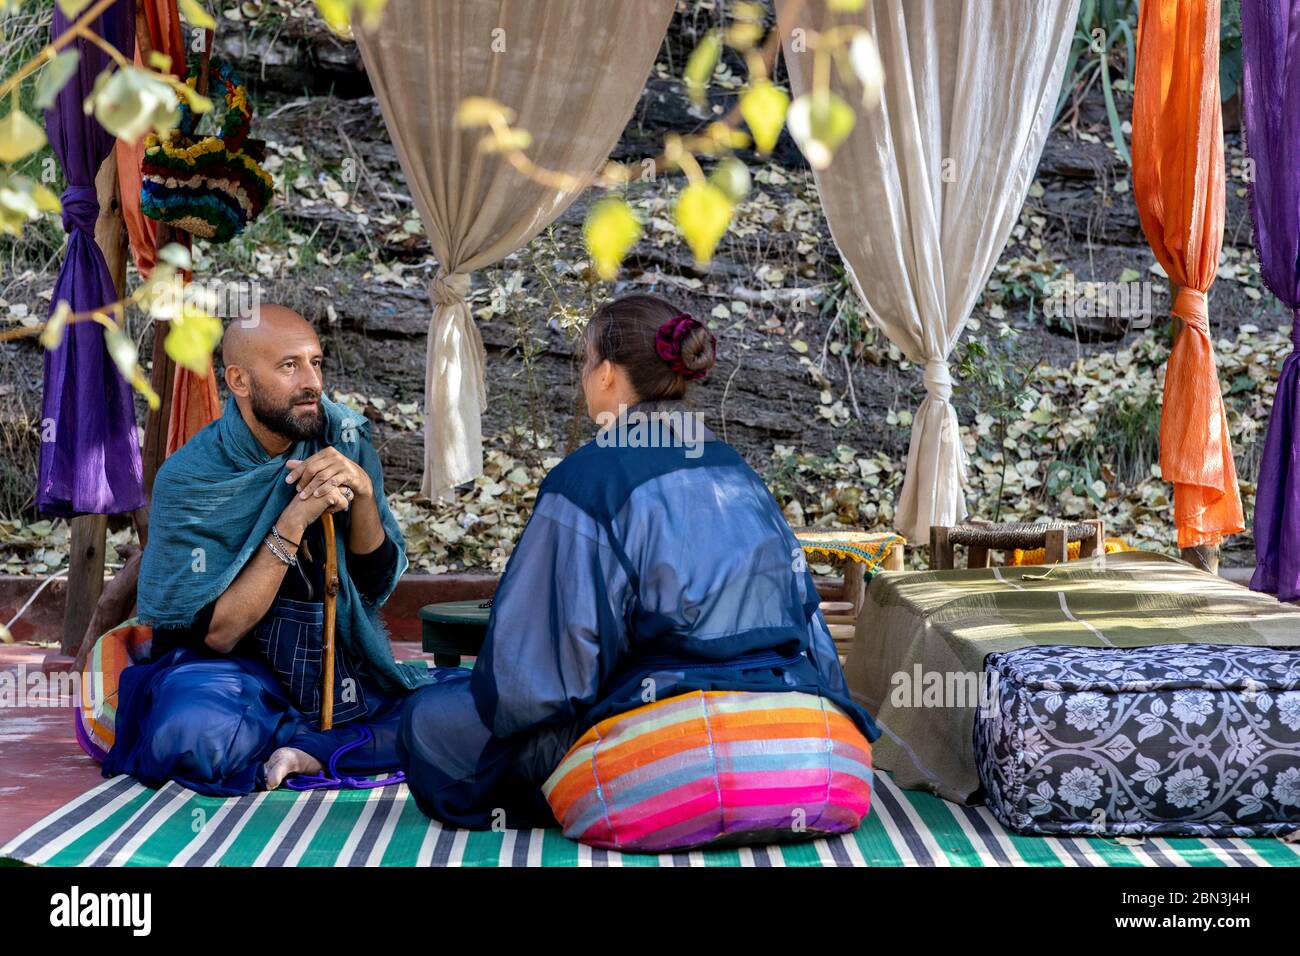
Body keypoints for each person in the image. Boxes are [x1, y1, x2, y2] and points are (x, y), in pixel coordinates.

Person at [399, 293, 881, 829]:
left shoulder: (586, 479)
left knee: (430, 719)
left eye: (584, 361)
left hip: (663, 746)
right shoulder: (737, 471)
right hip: (803, 743)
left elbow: (531, 691)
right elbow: (811, 636)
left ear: (606, 373)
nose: (583, 374)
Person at [103, 305, 436, 796]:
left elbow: (373, 583)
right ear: (238, 380)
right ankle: (339, 743)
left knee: (479, 706)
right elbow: (216, 635)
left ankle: (310, 748)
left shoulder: (343, 438)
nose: (312, 382)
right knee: (192, 735)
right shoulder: (191, 479)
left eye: (316, 363)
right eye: (289, 366)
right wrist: (293, 520)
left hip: (335, 668)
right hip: (228, 676)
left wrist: (362, 493)